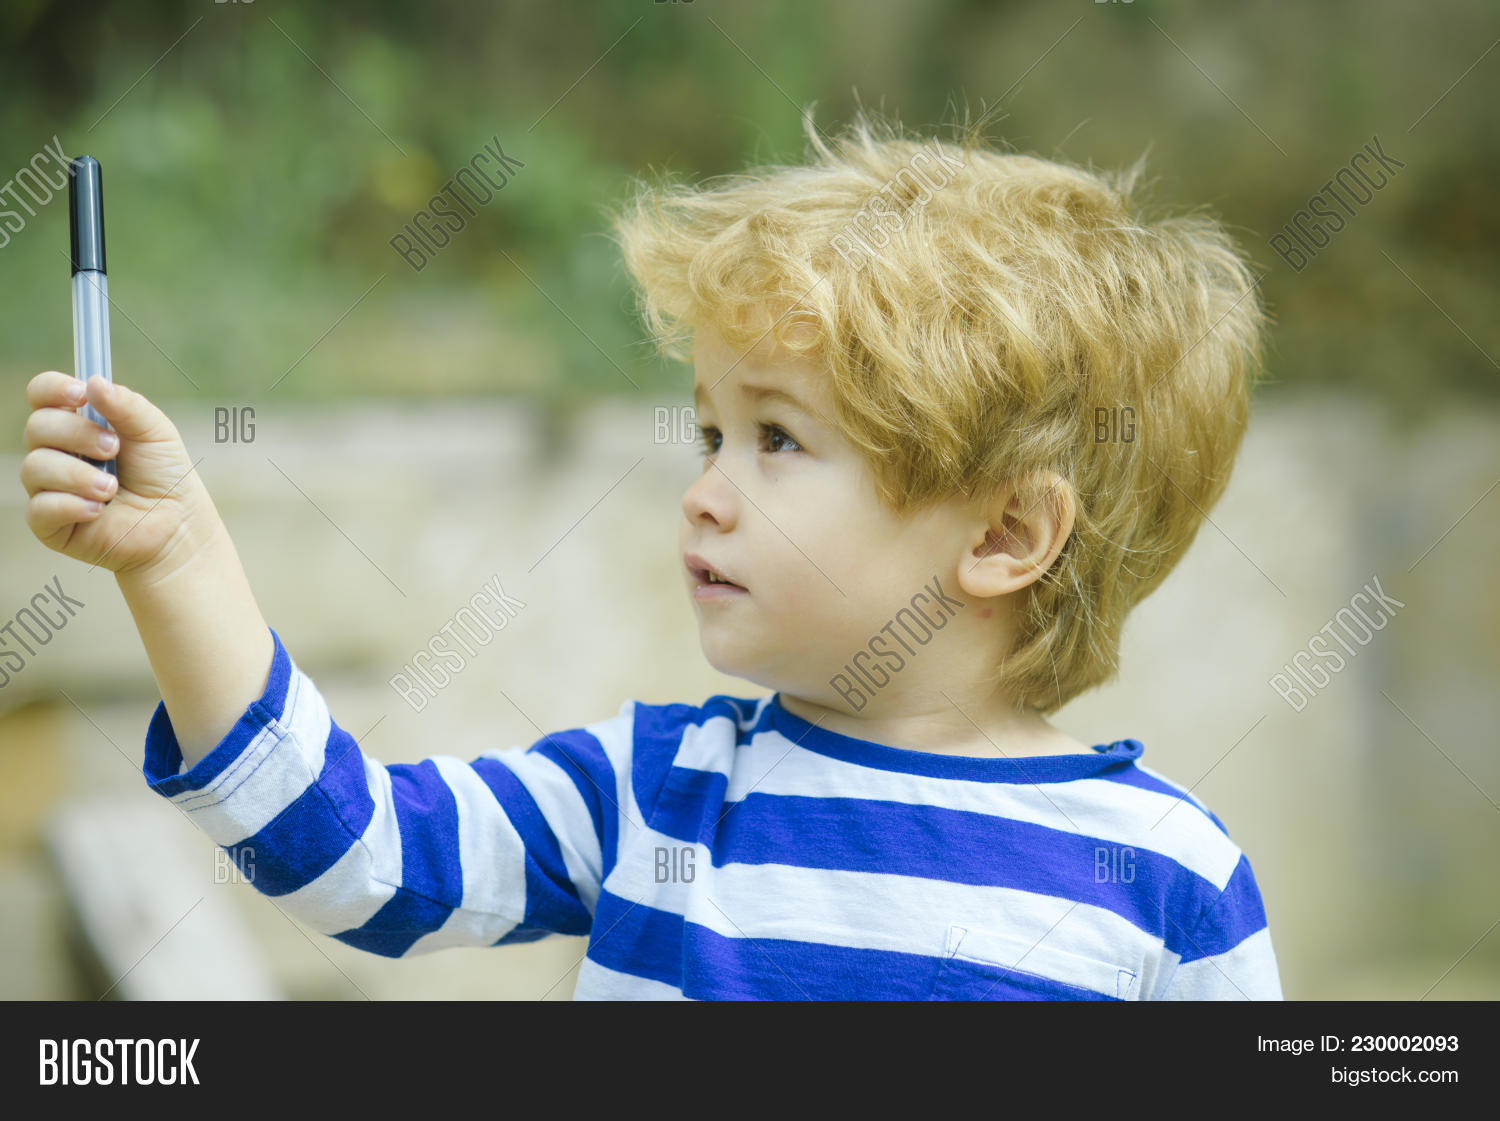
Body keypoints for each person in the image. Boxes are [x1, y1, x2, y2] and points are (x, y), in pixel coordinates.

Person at [18, 108, 1281, 999]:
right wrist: (175, 558)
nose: (703, 494)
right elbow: (354, 859)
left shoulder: (1172, 882)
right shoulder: (656, 792)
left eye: (777, 439)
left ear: (1005, 533)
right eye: (709, 431)